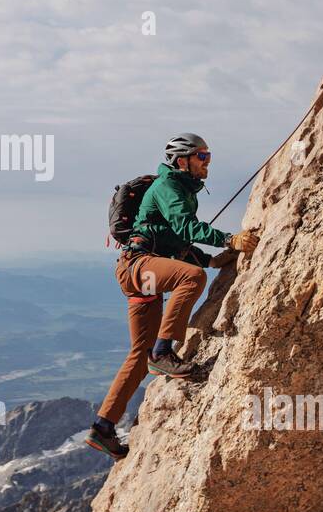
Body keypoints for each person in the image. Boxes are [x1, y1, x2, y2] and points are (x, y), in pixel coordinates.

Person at [86, 133, 260, 460]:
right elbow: (185, 226)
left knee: (138, 355)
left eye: (207, 156)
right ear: (183, 161)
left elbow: (172, 240)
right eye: (202, 157)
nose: (207, 162)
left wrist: (211, 260)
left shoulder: (176, 188)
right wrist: (229, 240)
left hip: (139, 271)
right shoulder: (169, 187)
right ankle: (164, 351)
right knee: (190, 277)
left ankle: (103, 427)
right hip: (140, 267)